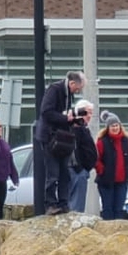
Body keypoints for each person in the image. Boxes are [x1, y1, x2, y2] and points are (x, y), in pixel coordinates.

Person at [36, 71, 85, 216]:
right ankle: (50, 204)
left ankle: (63, 203)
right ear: (71, 83)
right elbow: (46, 112)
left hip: (64, 137)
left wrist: (74, 118)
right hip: (50, 137)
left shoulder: (68, 94)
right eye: (78, 88)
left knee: (65, 172)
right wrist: (66, 119)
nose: (78, 91)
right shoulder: (54, 90)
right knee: (53, 173)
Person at [94, 111, 128, 221]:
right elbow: (96, 159)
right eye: (112, 126)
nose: (115, 128)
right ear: (108, 127)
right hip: (106, 182)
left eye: (117, 125)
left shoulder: (126, 141)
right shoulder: (102, 142)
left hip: (122, 182)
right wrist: (101, 170)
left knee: (119, 209)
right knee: (108, 209)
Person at [67, 100, 97, 213]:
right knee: (76, 206)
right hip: (77, 172)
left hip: (81, 170)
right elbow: (73, 149)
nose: (90, 116)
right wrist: (80, 169)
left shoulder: (83, 128)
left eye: (91, 113)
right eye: (87, 112)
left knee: (78, 204)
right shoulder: (75, 128)